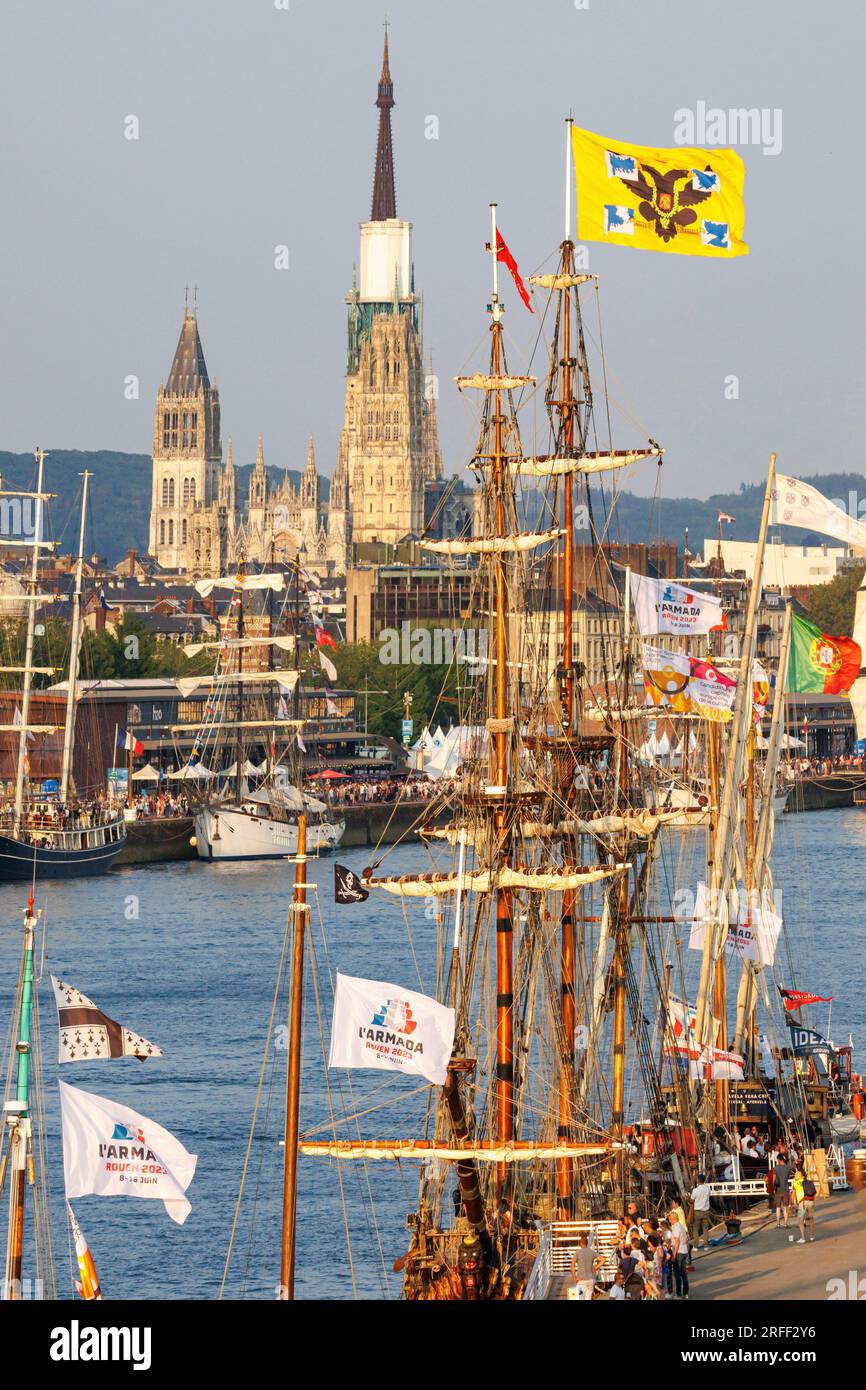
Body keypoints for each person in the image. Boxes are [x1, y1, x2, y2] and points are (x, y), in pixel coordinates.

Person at [569, 1234, 603, 1300]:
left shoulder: (577, 1253)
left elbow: (572, 1265)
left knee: (579, 1298)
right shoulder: (592, 1252)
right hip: (591, 1280)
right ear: (587, 1243)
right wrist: (596, 1267)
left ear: (580, 1243)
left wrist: (574, 1277)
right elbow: (603, 1260)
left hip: (582, 1281)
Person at [668, 1208, 690, 1299]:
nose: (669, 1221)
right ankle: (686, 1292)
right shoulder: (681, 1226)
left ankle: (678, 1294)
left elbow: (676, 1242)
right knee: (684, 1273)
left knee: (677, 1274)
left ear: (673, 1219)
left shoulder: (676, 1228)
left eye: (669, 1219)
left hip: (679, 1252)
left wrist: (673, 1254)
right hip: (684, 1251)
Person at [792, 1167, 818, 1243]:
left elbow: (793, 1196)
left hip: (802, 1203)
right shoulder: (807, 1181)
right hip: (811, 1201)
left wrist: (792, 1204)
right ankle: (812, 1236)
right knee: (811, 1218)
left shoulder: (795, 1184)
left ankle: (803, 1238)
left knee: (800, 1220)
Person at [690, 1172, 714, 1251]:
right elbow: (708, 1197)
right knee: (705, 1229)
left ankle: (695, 1246)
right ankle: (706, 1246)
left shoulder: (695, 1190)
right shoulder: (707, 1189)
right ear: (704, 1180)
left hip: (697, 1212)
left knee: (696, 1229)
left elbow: (691, 1200)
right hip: (706, 1211)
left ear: (698, 1180)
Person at [772, 1152, 794, 1228]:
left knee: (778, 1207)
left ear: (779, 1159)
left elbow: (773, 1180)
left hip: (778, 1190)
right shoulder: (788, 1168)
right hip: (785, 1189)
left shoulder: (776, 1168)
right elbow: (788, 1177)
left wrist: (773, 1188)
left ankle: (778, 1224)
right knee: (785, 1207)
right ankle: (785, 1224)